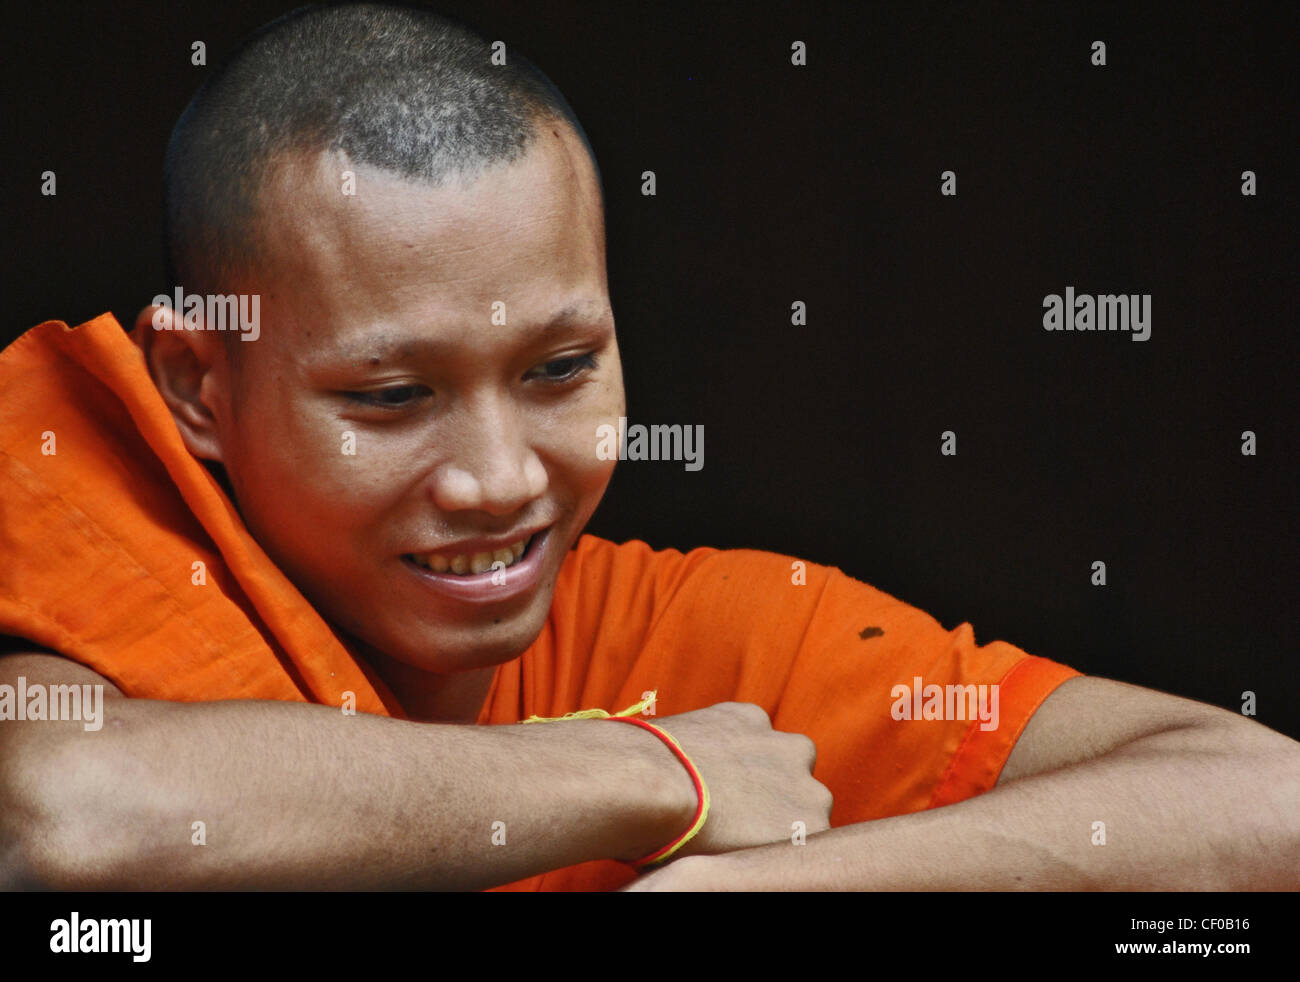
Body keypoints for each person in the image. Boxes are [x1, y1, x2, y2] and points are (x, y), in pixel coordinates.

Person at [0, 2, 1295, 892]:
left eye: (561, 369)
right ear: (199, 383)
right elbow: (68, 811)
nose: (502, 478)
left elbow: (1263, 802)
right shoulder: (94, 545)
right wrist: (647, 769)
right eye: (392, 395)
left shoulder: (698, 643)